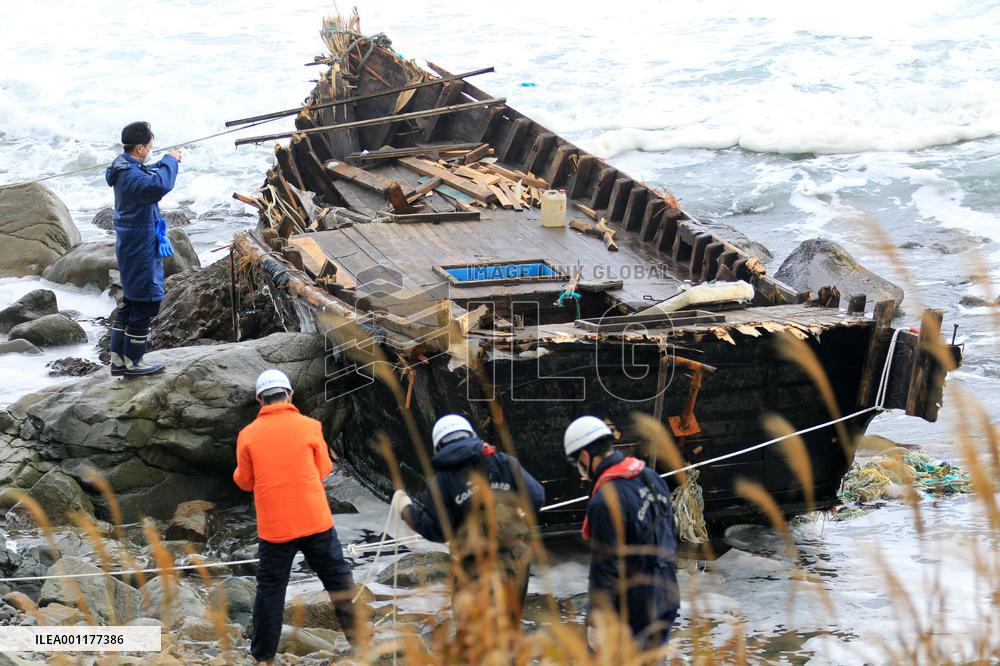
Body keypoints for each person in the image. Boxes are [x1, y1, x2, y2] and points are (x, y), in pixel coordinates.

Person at [233, 369, 361, 664]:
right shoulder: (310, 426)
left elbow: (244, 481)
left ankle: (263, 655)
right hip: (315, 521)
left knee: (271, 589)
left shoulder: (247, 435)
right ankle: (361, 643)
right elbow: (324, 469)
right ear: (289, 395)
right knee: (339, 580)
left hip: (275, 529)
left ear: (260, 400)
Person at [390, 414, 545, 630]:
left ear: (438, 447)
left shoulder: (441, 482)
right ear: (471, 435)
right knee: (509, 626)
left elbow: (436, 530)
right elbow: (537, 496)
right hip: (517, 559)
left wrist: (406, 509)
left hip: (476, 567)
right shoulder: (503, 462)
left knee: (474, 632)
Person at [563, 415, 680, 650]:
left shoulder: (604, 501)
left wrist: (596, 623)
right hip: (667, 593)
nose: (580, 470)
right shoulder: (651, 477)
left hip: (634, 610)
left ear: (585, 457)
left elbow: (605, 569)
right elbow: (671, 533)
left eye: (577, 462)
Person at [105, 121, 182, 377]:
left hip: (132, 243)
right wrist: (171, 162)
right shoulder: (131, 176)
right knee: (146, 302)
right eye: (149, 146)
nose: (150, 149)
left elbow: (147, 172)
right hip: (139, 246)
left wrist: (164, 160)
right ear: (139, 148)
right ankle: (133, 363)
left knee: (131, 301)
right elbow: (158, 186)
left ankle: (119, 359)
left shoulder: (126, 167)